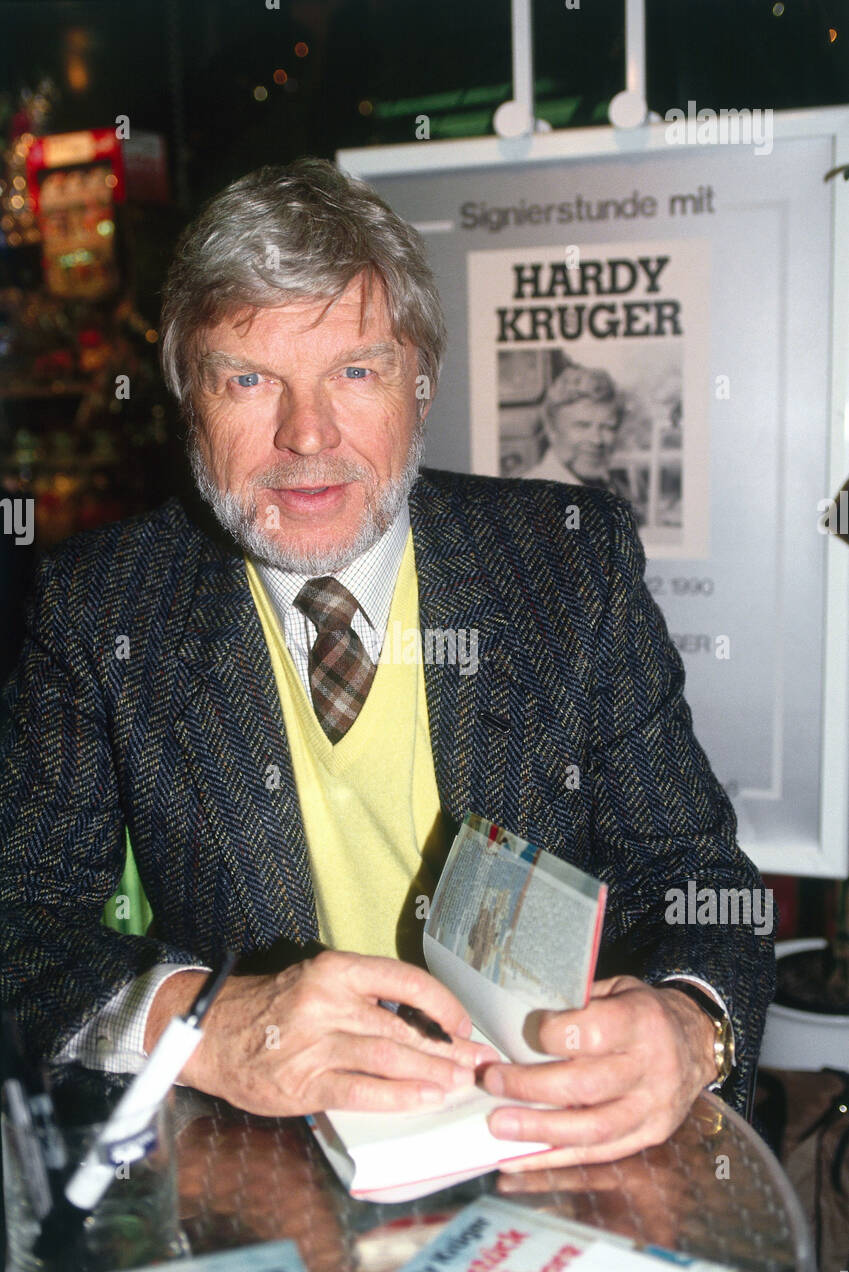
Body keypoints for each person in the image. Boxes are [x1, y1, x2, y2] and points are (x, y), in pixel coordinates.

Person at [0, 159, 774, 1170]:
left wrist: (689, 1027)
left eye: (355, 371)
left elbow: (698, 880)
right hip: (261, 1163)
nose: (305, 437)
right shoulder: (104, 604)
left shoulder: (566, 558)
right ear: (187, 397)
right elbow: (20, 918)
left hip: (547, 1148)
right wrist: (207, 1024)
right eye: (247, 379)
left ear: (422, 382)